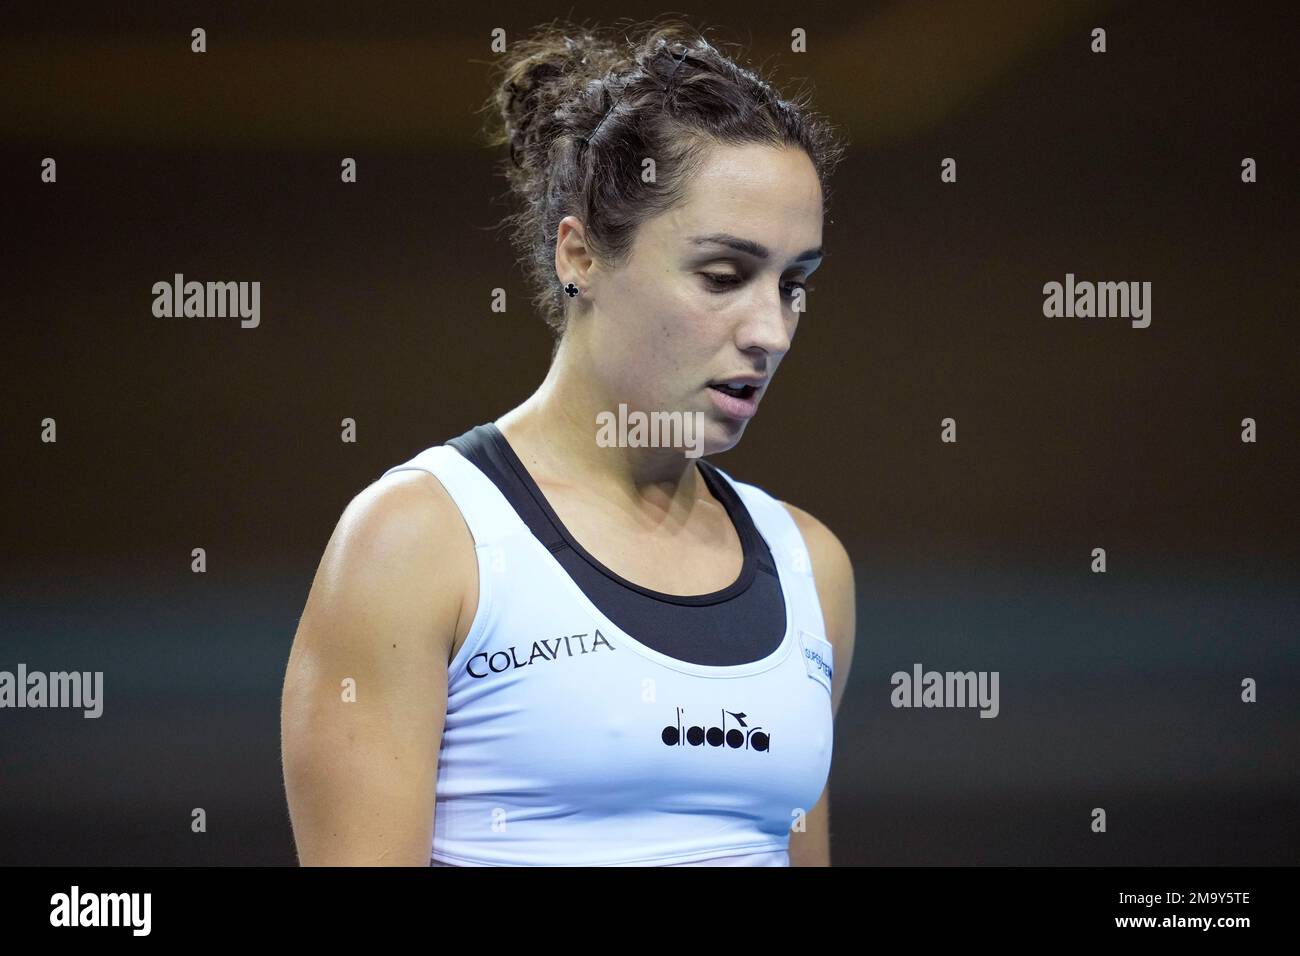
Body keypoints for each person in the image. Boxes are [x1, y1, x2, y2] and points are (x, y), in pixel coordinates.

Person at [281, 19, 855, 866]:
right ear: (580, 254)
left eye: (793, 283)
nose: (771, 329)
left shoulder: (811, 568)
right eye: (724, 276)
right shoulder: (417, 543)